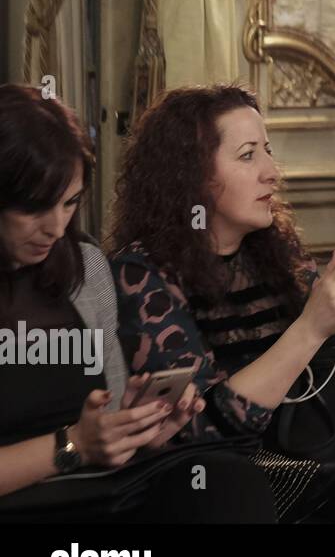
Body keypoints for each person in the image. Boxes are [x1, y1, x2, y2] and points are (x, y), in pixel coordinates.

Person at [109, 85, 335, 523]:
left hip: (307, 456)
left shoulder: (279, 260)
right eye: (248, 155)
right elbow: (197, 431)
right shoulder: (142, 274)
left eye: (267, 151)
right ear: (189, 173)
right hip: (215, 476)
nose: (272, 172)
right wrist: (309, 329)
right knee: (228, 484)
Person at [0, 84, 276, 522]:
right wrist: (70, 447)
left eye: (69, 203)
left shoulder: (85, 267)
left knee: (223, 478)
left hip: (105, 488)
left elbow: (106, 419)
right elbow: (82, 441)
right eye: (35, 208)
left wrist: (140, 426)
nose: (55, 227)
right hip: (25, 499)